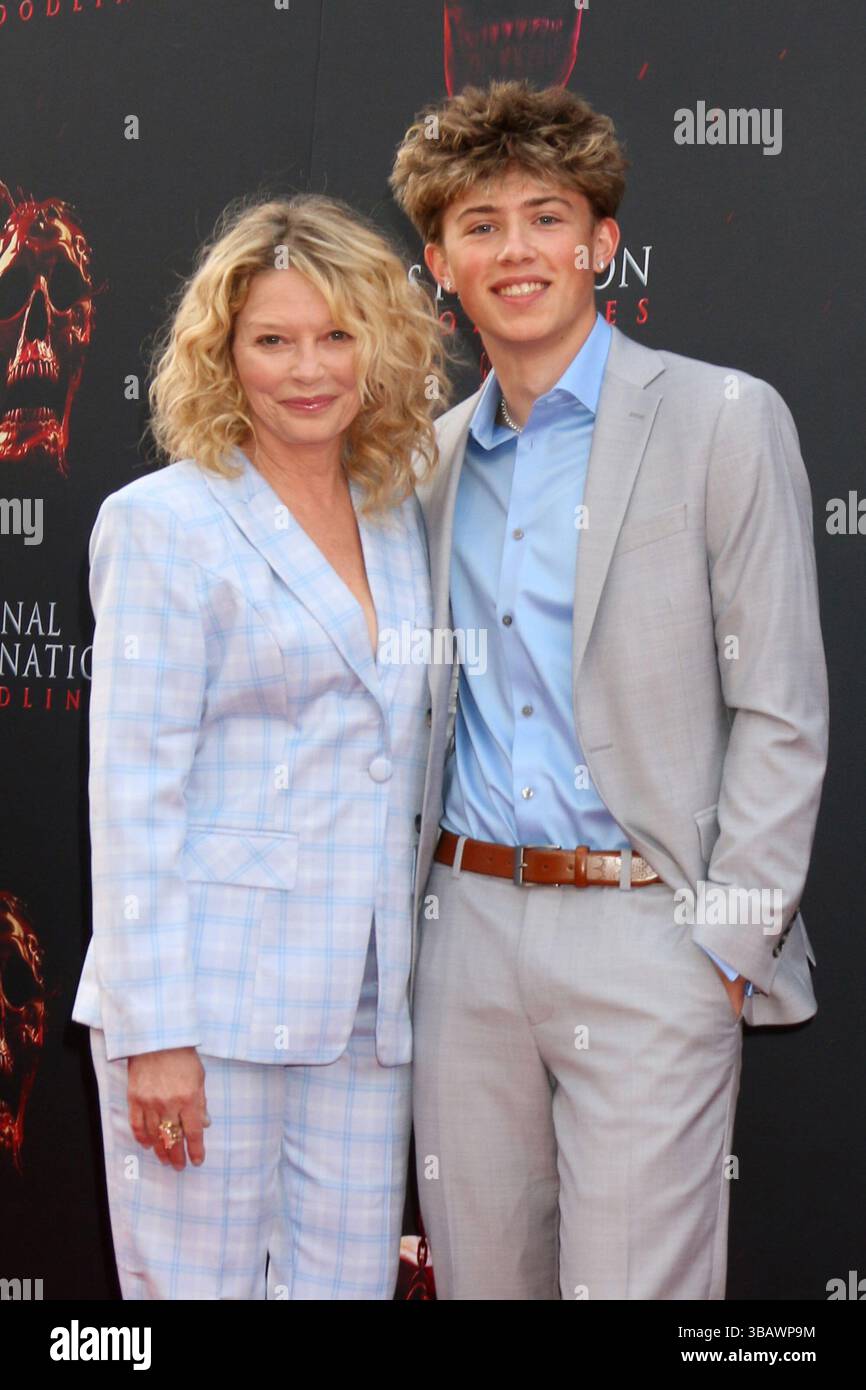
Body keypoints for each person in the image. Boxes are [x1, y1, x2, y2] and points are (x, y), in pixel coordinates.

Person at [389, 79, 829, 1299]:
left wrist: (723, 947)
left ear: (600, 242)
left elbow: (781, 706)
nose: (514, 248)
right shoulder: (423, 463)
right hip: (462, 933)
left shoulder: (719, 419)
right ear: (437, 261)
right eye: (479, 224)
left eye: (544, 216)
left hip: (649, 931)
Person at [71, 192, 449, 1299]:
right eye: (272, 340)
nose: (306, 368)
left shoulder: (397, 513)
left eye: (335, 336)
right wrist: (155, 1034)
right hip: (210, 1009)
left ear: (377, 348)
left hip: (365, 1012)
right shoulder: (163, 521)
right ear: (223, 356)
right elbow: (131, 790)